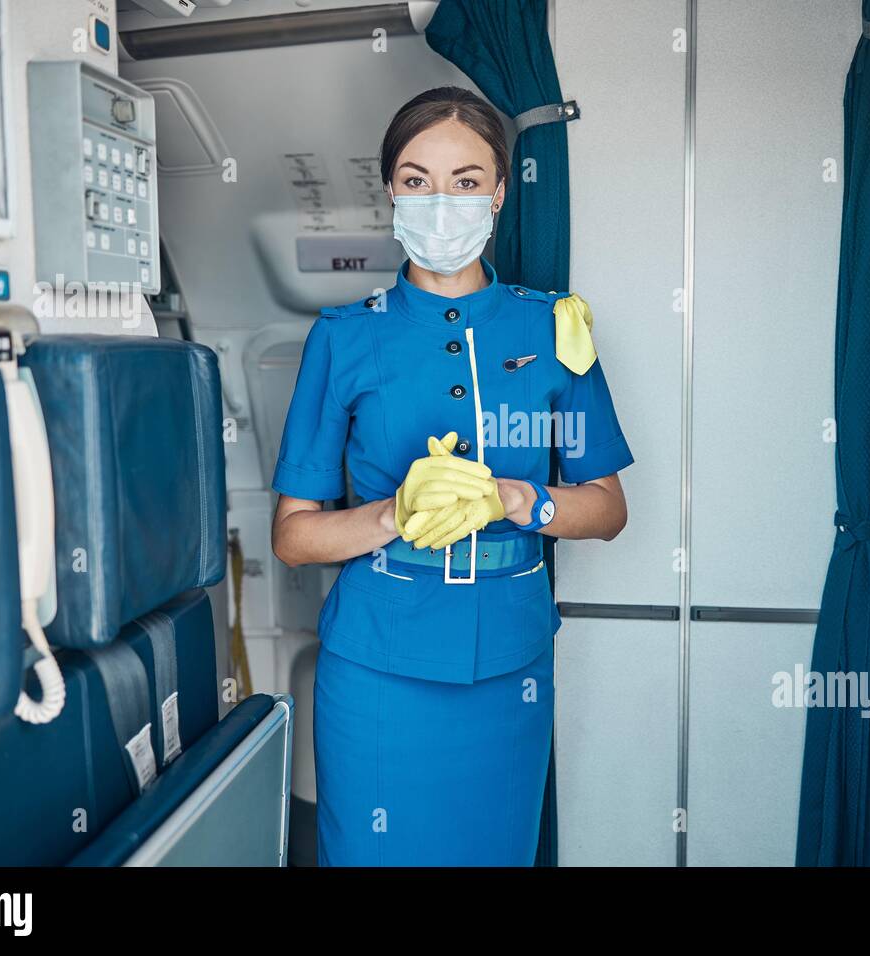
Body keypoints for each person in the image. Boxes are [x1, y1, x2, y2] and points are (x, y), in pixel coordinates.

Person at [270, 86, 634, 865]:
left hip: (513, 668)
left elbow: (607, 509)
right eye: (417, 180)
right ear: (391, 192)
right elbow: (295, 538)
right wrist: (394, 514)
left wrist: (517, 498)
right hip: (375, 669)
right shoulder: (342, 338)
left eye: (467, 182)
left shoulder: (553, 326)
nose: (443, 202)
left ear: (500, 192)